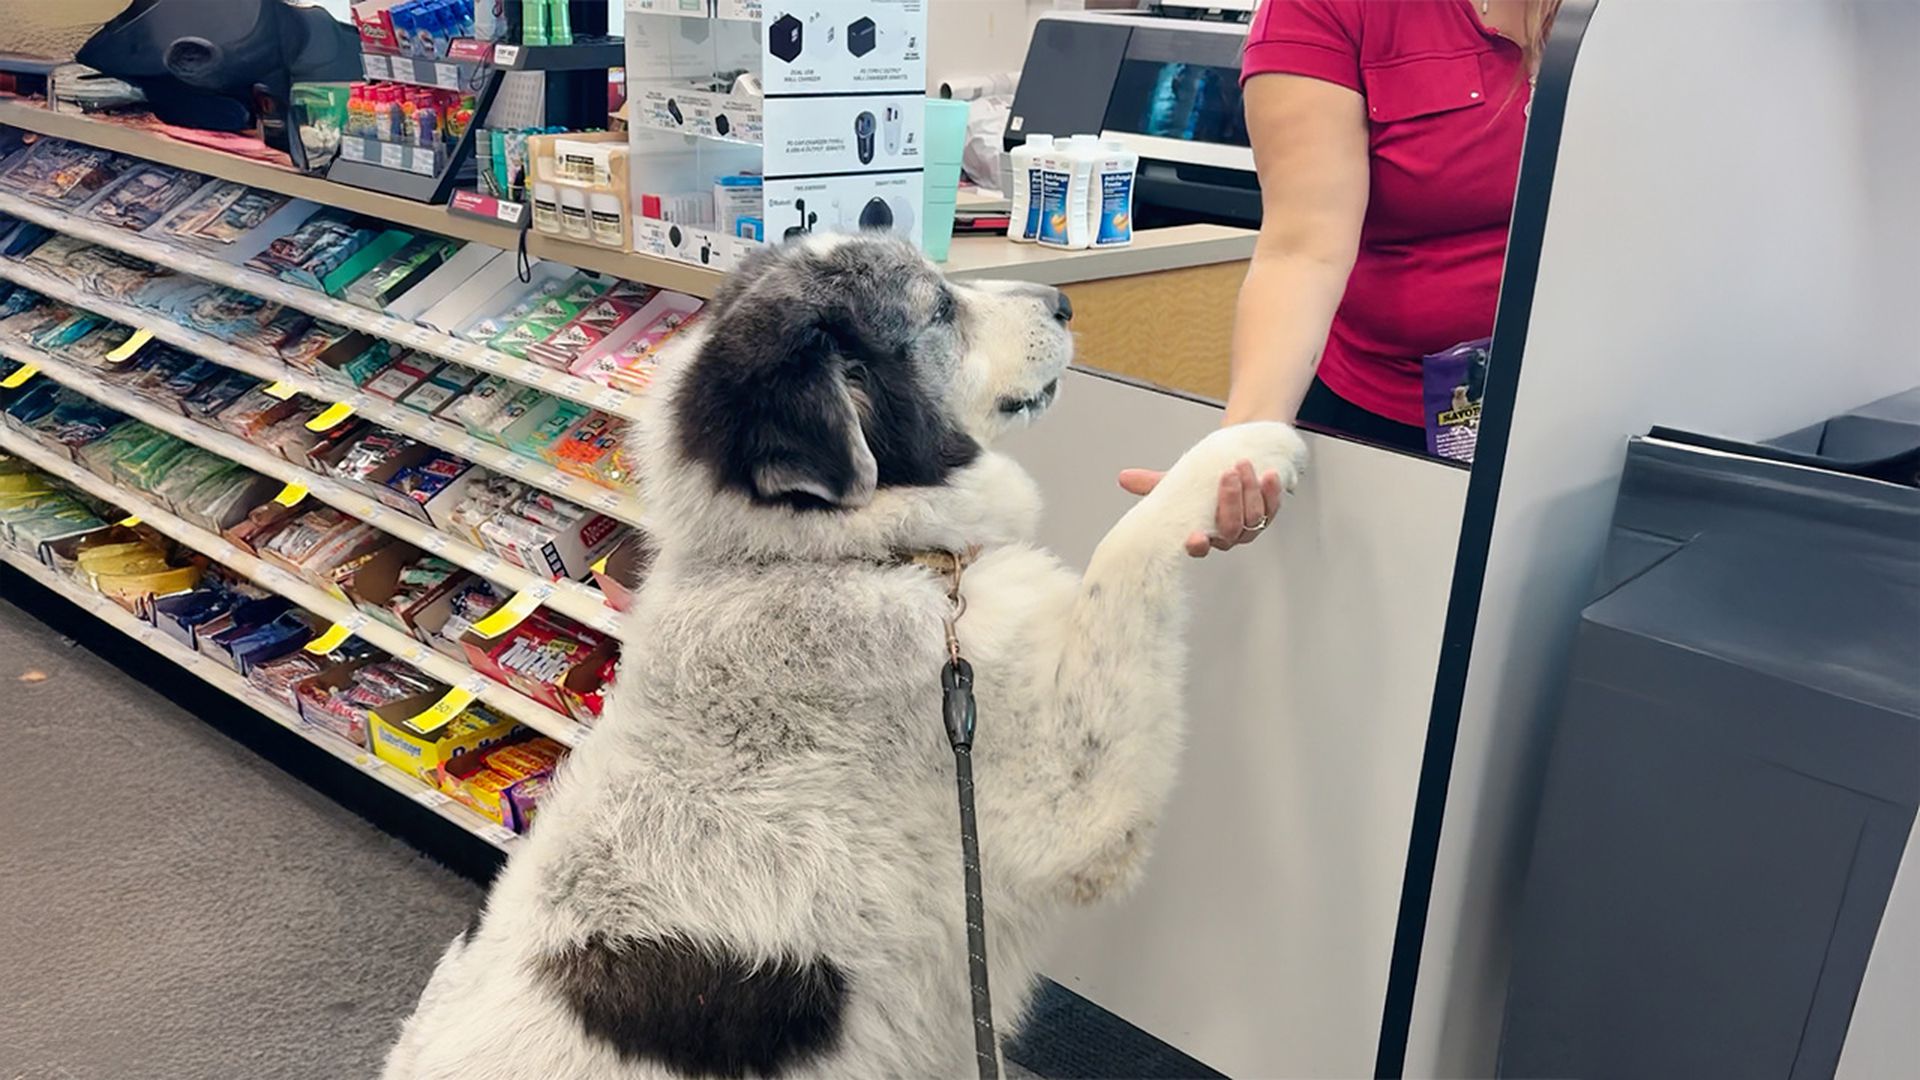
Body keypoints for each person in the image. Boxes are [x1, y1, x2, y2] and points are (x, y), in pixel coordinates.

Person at [1120, 0, 1558, 557]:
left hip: (1586, 413)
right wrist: (1243, 445)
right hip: (1391, 425)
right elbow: (1302, 253)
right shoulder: (1327, 9)